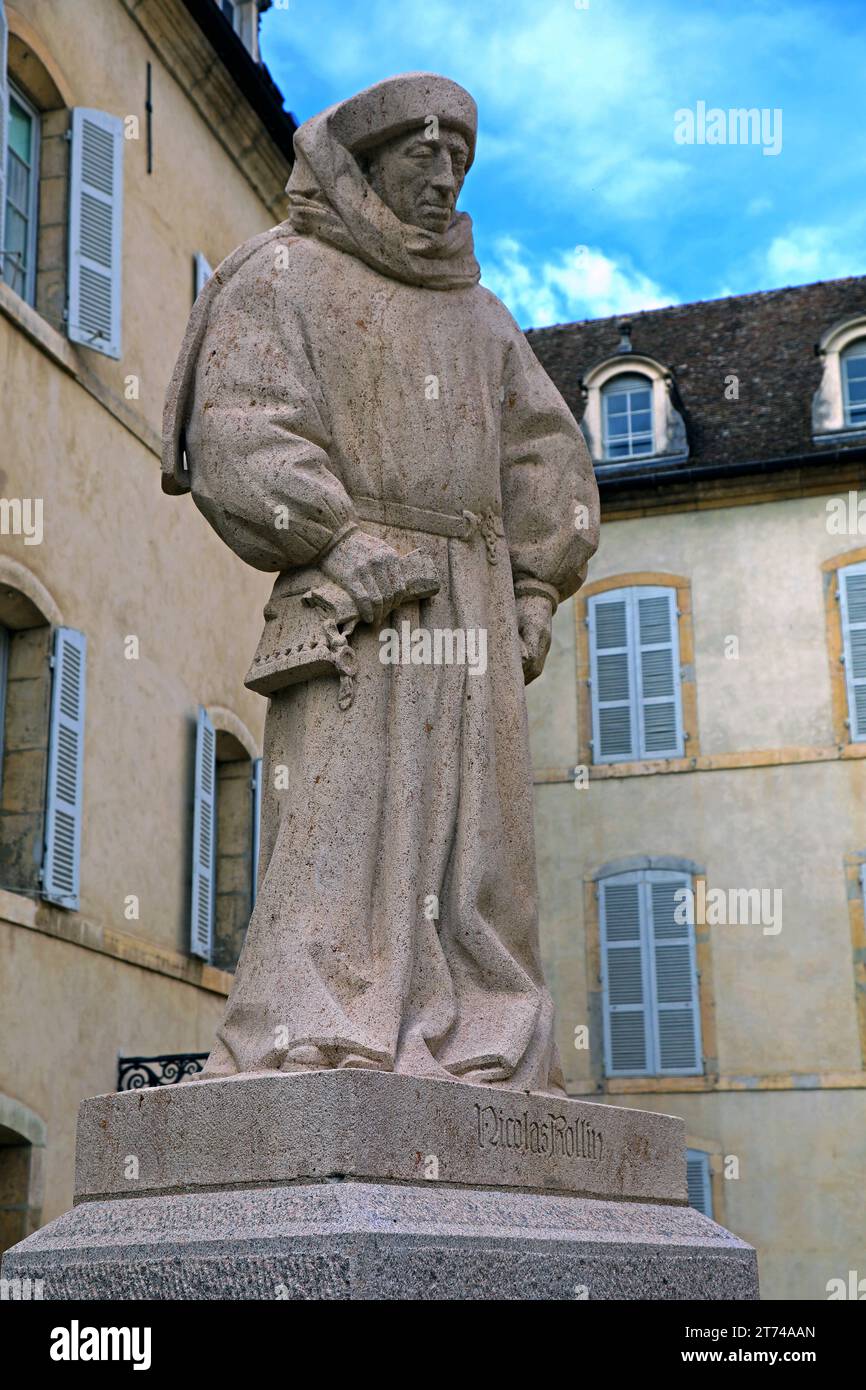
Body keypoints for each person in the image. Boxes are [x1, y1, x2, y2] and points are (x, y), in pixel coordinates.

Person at [162, 72, 599, 1093]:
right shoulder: (279, 275)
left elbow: (549, 458)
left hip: (475, 600)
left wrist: (533, 589)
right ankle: (317, 1025)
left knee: (476, 853)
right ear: (365, 165)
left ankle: (485, 1039)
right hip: (359, 596)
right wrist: (329, 536)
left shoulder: (479, 314)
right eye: (421, 155)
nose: (445, 177)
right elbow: (237, 425)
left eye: (458, 159)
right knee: (340, 821)